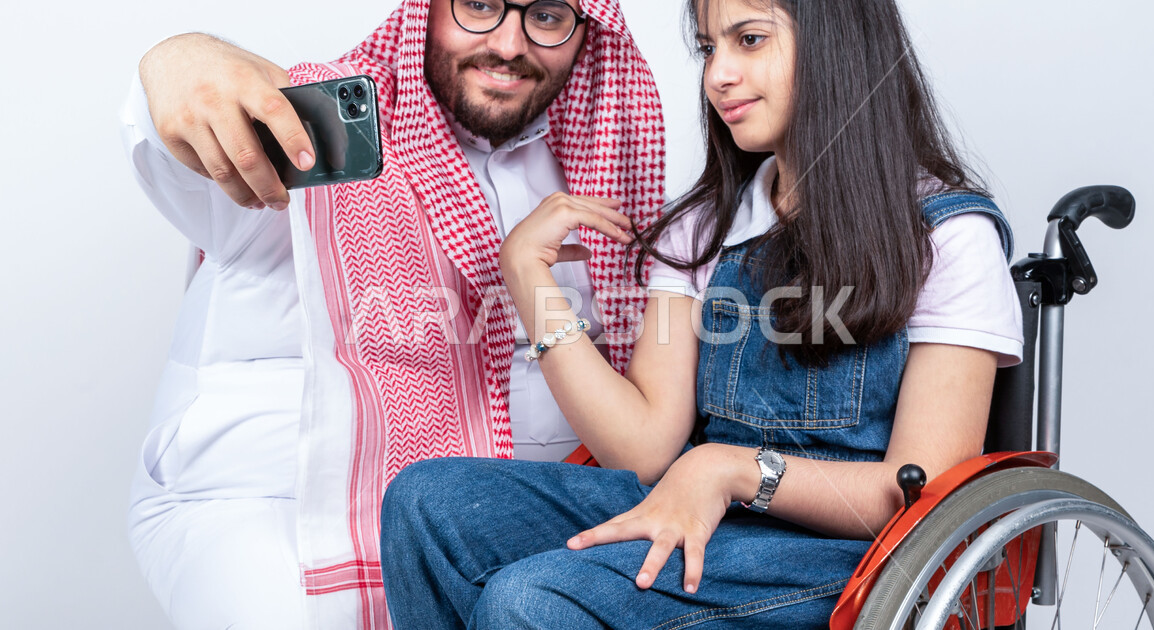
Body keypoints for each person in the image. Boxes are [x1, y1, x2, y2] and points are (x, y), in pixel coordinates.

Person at [378, 0, 1024, 627]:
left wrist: (733, 469)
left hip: (851, 555)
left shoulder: (945, 234)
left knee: (535, 599)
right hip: (703, 505)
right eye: (710, 47)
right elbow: (646, 448)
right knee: (427, 502)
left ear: (839, 48)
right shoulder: (705, 228)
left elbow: (924, 495)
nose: (718, 75)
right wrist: (526, 274)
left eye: (748, 40)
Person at [121, 0, 665, 627]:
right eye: (482, 5)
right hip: (275, 508)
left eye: (545, 16)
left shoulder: (600, 166)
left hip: (508, 524)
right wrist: (177, 61)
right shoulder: (304, 133)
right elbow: (180, 139)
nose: (511, 44)